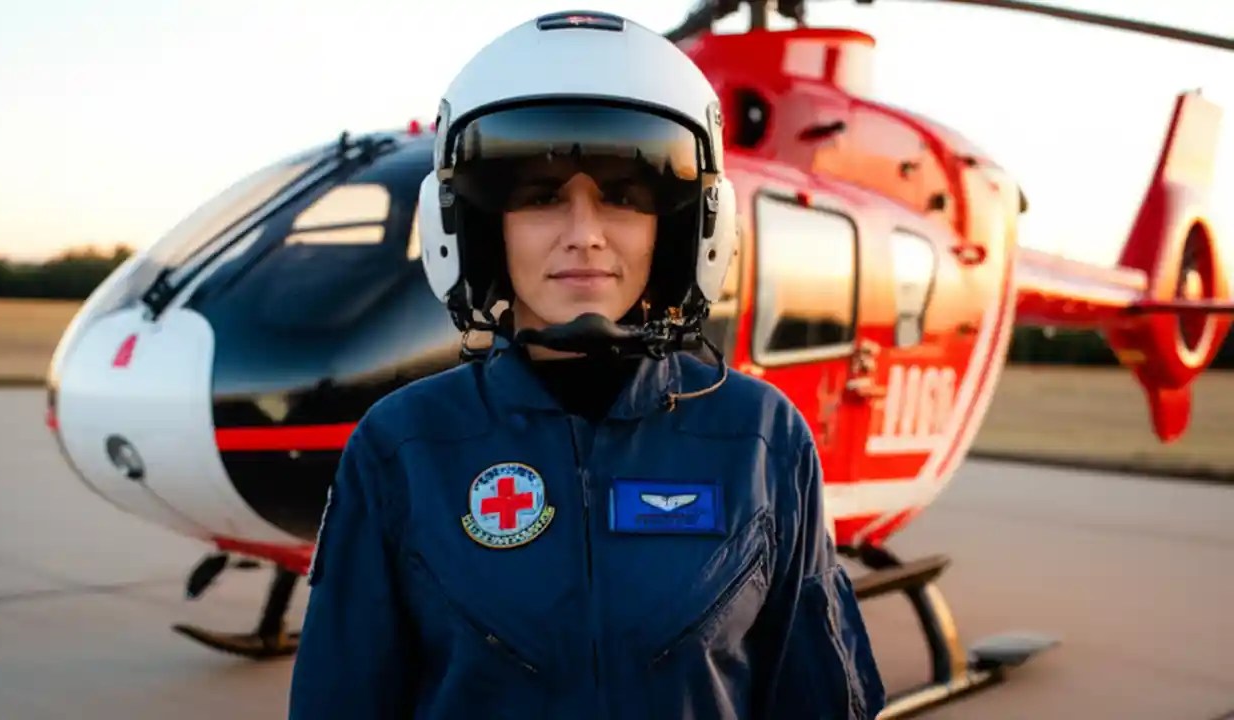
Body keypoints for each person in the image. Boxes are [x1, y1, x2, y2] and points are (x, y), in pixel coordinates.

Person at [288, 10, 885, 720]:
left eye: (624, 198)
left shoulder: (760, 438)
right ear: (479, 227)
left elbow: (819, 701)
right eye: (541, 198)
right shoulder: (405, 446)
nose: (585, 236)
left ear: (680, 229)